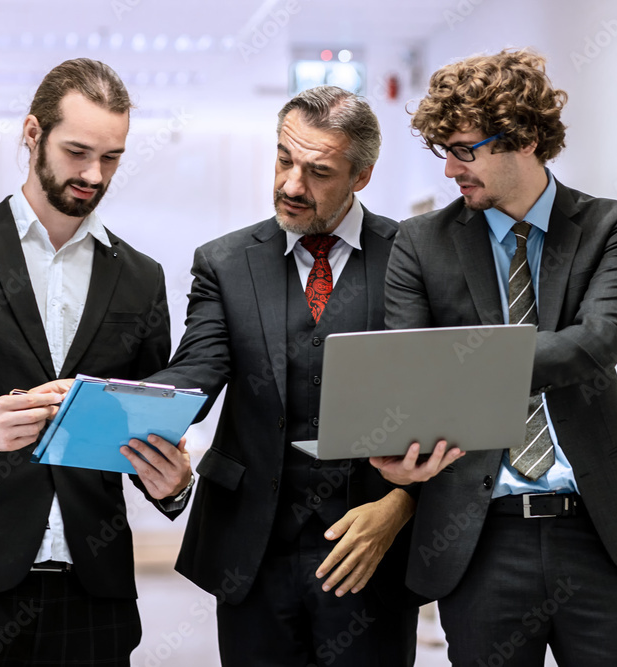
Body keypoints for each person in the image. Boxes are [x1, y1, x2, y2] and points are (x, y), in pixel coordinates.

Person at [375, 49, 617, 666]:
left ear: (526, 138)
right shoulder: (420, 243)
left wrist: (458, 366)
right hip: (479, 534)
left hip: (598, 528)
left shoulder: (610, 227)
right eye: (445, 151)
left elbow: (598, 343)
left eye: (466, 150)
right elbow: (410, 365)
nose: (452, 170)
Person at [142, 85, 451, 666]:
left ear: (361, 176)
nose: (290, 184)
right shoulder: (225, 263)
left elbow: (444, 398)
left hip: (371, 546)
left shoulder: (413, 255)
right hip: (251, 549)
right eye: (284, 159)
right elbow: (197, 370)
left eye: (318, 171)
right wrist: (129, 409)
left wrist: (405, 502)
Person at [0, 58, 192, 665]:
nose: (93, 174)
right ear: (32, 134)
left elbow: (142, 431)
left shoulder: (141, 278)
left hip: (94, 590)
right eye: (77, 151)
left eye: (111, 158)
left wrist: (171, 485)